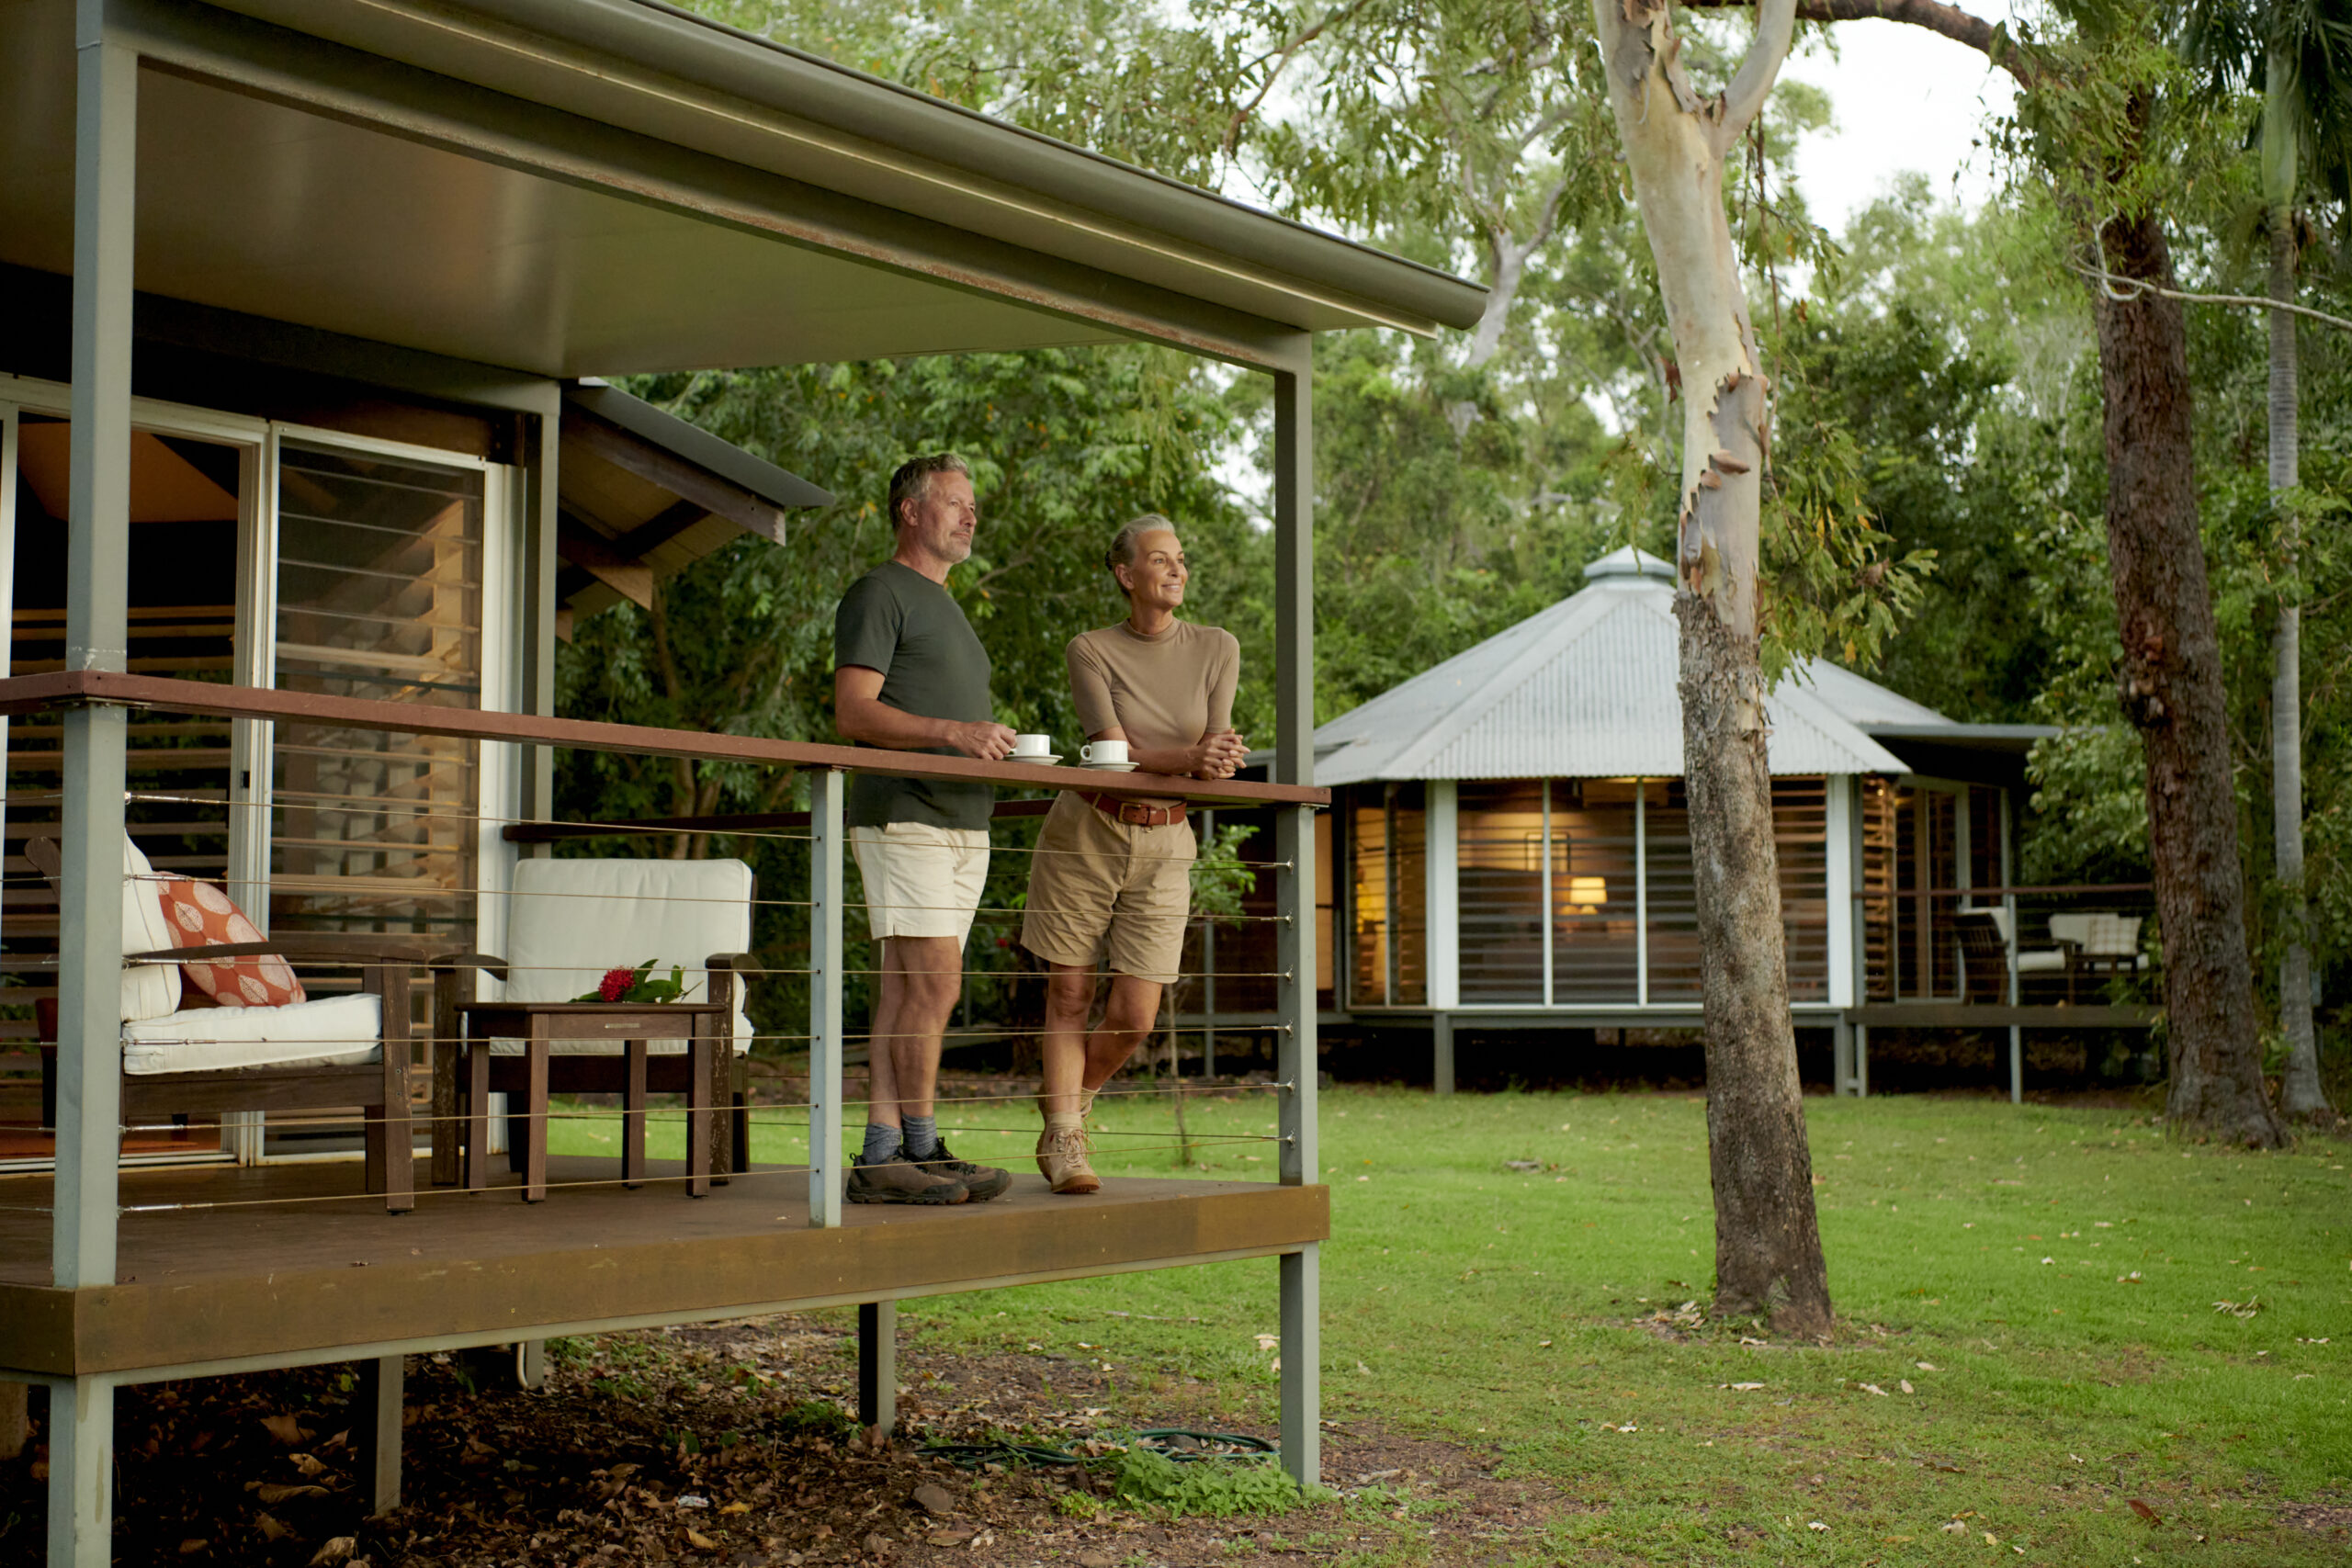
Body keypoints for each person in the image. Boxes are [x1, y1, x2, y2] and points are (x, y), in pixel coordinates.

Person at [1019, 515, 1246, 1194]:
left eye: (1181, 558)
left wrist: (1214, 758)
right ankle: (1067, 1139)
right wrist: (1193, 757)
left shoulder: (1218, 647)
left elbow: (1213, 747)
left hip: (1168, 839)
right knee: (1069, 992)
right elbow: (1112, 754)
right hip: (1087, 829)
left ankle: (1066, 1103)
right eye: (1160, 559)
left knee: (1136, 1014)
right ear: (1126, 575)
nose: (1177, 570)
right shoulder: (1090, 649)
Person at [832, 454, 1017, 1205]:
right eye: (954, 501)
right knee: (936, 981)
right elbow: (853, 711)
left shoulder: (948, 607)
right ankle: (918, 1144)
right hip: (904, 812)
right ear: (911, 511)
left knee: (909, 987)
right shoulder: (879, 592)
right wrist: (952, 732)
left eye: (973, 506)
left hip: (963, 820)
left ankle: (886, 1155)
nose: (971, 515)